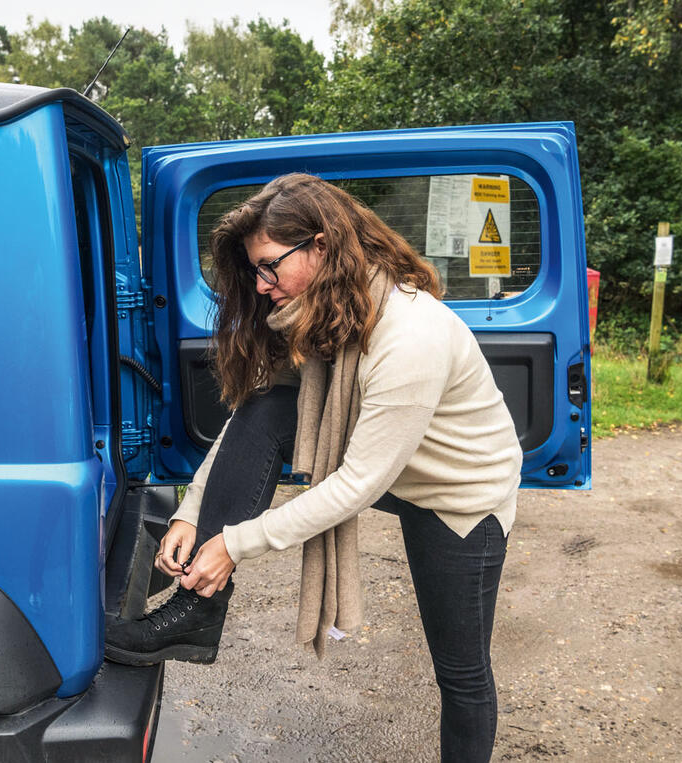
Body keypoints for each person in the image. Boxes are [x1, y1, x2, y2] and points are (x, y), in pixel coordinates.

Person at [105, 173, 521, 762]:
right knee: (269, 404)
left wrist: (237, 544)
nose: (261, 284)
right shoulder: (329, 312)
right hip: (395, 472)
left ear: (320, 246)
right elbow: (251, 420)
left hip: (459, 499)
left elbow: (359, 483)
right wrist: (194, 515)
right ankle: (195, 610)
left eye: (269, 266)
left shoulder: (411, 336)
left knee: (460, 673)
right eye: (254, 271)